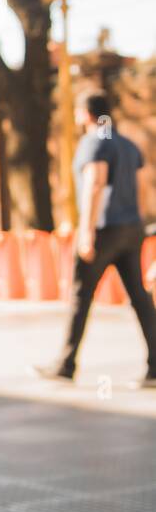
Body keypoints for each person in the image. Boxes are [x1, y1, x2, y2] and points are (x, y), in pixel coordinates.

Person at [33, 91, 156, 387]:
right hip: (130, 229)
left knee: (81, 295)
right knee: (139, 298)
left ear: (86, 115)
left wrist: (86, 232)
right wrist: (138, 222)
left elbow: (95, 182)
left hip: (103, 230)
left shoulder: (94, 142)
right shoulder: (128, 146)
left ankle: (66, 363)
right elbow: (142, 188)